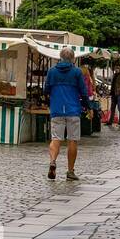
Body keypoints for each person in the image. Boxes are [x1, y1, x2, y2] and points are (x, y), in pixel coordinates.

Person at [44, 47, 89, 181]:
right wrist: (88, 106)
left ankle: (53, 161)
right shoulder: (76, 72)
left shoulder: (52, 72)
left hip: (57, 109)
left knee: (55, 138)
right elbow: (83, 91)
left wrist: (51, 99)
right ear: (73, 58)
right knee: (72, 140)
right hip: (73, 110)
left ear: (60, 57)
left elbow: (46, 89)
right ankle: (70, 171)